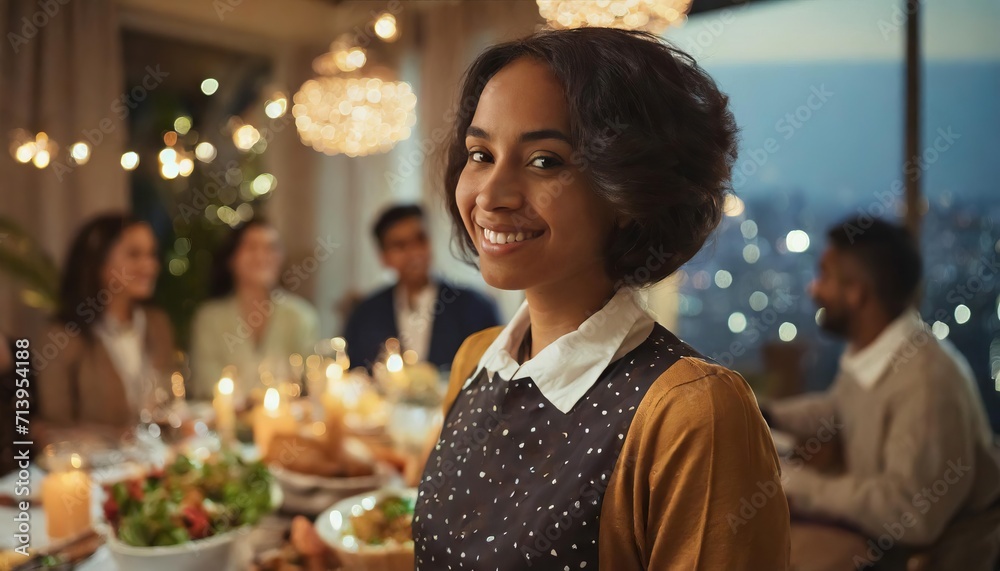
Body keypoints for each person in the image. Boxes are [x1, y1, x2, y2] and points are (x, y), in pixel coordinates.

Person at [413, 28, 789, 570]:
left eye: (545, 161)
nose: (491, 196)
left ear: (628, 190)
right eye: (480, 153)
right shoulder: (476, 361)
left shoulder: (692, 413)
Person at [766, 217, 1000, 570]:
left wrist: (798, 484)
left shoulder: (926, 381)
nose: (814, 289)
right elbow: (839, 408)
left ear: (856, 292)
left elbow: (910, 512)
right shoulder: (880, 350)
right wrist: (763, 413)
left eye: (825, 276)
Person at [37, 213, 175, 430]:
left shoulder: (157, 323)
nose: (150, 266)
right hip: (96, 462)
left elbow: (169, 402)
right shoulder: (62, 336)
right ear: (98, 262)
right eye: (134, 254)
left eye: (151, 254)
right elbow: (54, 428)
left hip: (157, 457)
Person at [343, 204, 499, 371]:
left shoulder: (474, 307)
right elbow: (355, 374)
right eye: (400, 245)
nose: (414, 252)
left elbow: (495, 372)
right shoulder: (366, 314)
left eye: (420, 239)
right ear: (384, 257)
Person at [190, 219, 319, 399]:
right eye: (251, 247)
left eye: (271, 248)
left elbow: (311, 382)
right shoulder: (210, 319)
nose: (261, 256)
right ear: (231, 258)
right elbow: (207, 384)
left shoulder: (301, 316)